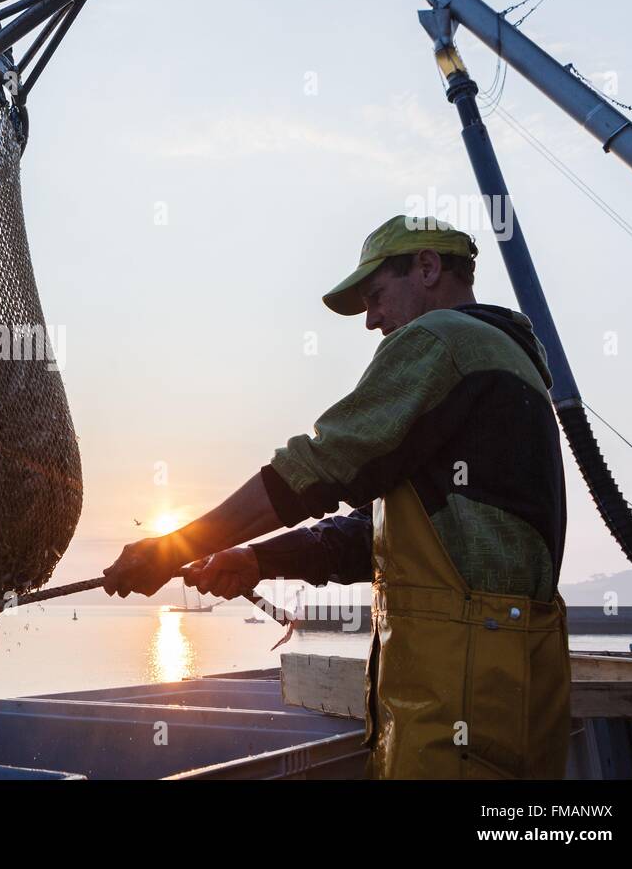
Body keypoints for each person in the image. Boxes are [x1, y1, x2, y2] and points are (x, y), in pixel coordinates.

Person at [103, 215, 572, 779]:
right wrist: (256, 560)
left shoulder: (442, 339)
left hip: (459, 684)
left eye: (376, 296)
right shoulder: (502, 362)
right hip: (512, 679)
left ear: (426, 268)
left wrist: (173, 548)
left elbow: (318, 467)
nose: (372, 320)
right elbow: (368, 535)